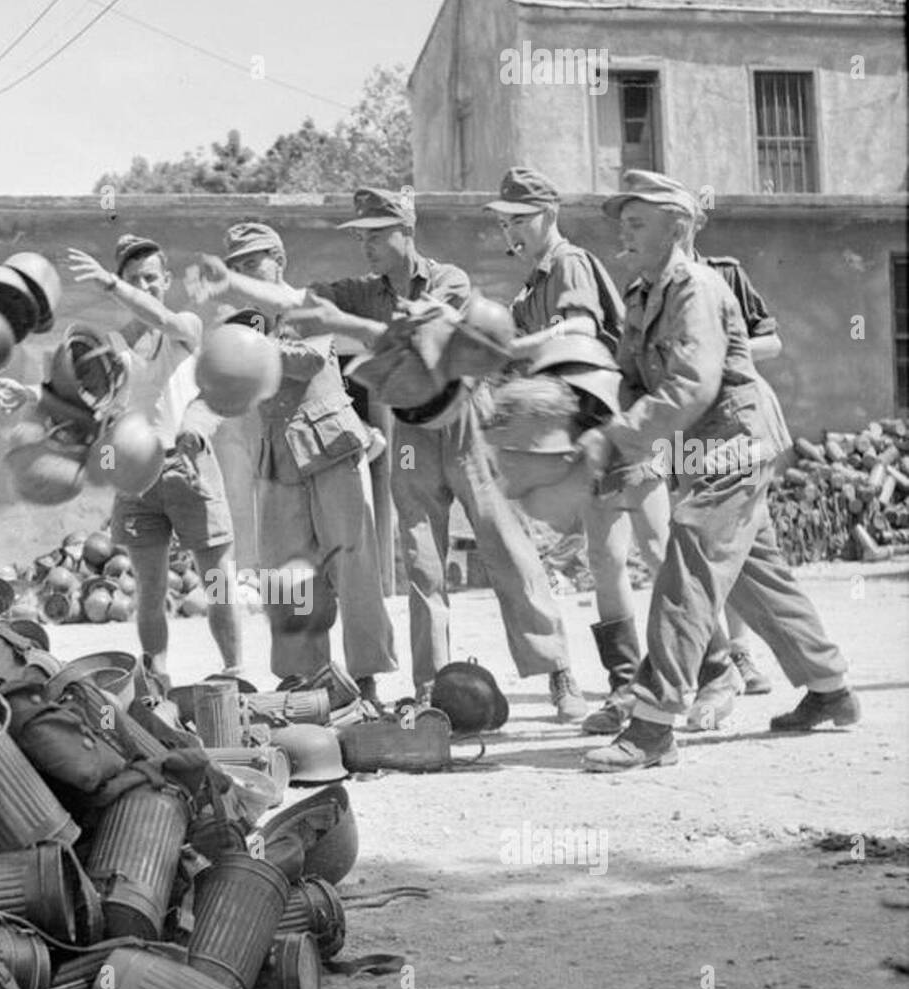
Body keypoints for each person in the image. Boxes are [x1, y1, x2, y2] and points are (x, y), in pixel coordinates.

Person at [199, 190, 587, 721]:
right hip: (411, 434)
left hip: (464, 423)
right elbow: (301, 304)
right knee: (422, 564)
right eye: (360, 235)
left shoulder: (448, 280)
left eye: (377, 233)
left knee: (505, 546)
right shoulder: (361, 291)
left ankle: (557, 670)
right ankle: (432, 690)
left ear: (407, 230)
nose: (367, 245)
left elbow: (431, 339)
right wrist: (232, 286)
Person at [575, 175, 858, 771]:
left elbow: (691, 384)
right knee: (757, 577)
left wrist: (622, 434)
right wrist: (610, 424)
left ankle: (653, 724)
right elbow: (632, 375)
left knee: (689, 567)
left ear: (677, 228)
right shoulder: (640, 293)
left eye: (638, 221)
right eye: (621, 220)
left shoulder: (695, 289)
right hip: (698, 448)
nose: (623, 230)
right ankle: (830, 688)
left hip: (734, 446)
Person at [0, 235, 243, 683]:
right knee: (149, 589)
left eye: (151, 277)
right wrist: (30, 395)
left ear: (167, 281)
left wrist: (112, 284)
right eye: (135, 279)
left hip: (190, 469)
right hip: (134, 479)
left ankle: (235, 672)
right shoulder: (111, 345)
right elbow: (78, 400)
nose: (144, 285)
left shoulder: (184, 326)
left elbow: (165, 319)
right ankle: (158, 681)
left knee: (218, 584)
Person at [194, 222, 397, 703]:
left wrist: (248, 350)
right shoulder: (241, 327)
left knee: (353, 564)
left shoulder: (309, 302)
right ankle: (301, 678)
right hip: (280, 459)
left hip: (331, 448)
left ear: (278, 261)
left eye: (253, 262)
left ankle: (365, 679)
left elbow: (306, 360)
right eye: (237, 265)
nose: (245, 272)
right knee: (287, 574)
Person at [684, 197, 782, 697]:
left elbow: (771, 341)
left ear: (694, 224)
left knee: (736, 540)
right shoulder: (646, 287)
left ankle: (739, 655)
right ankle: (713, 657)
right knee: (697, 539)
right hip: (685, 430)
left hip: (736, 425)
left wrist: (718, 355)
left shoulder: (724, 274)